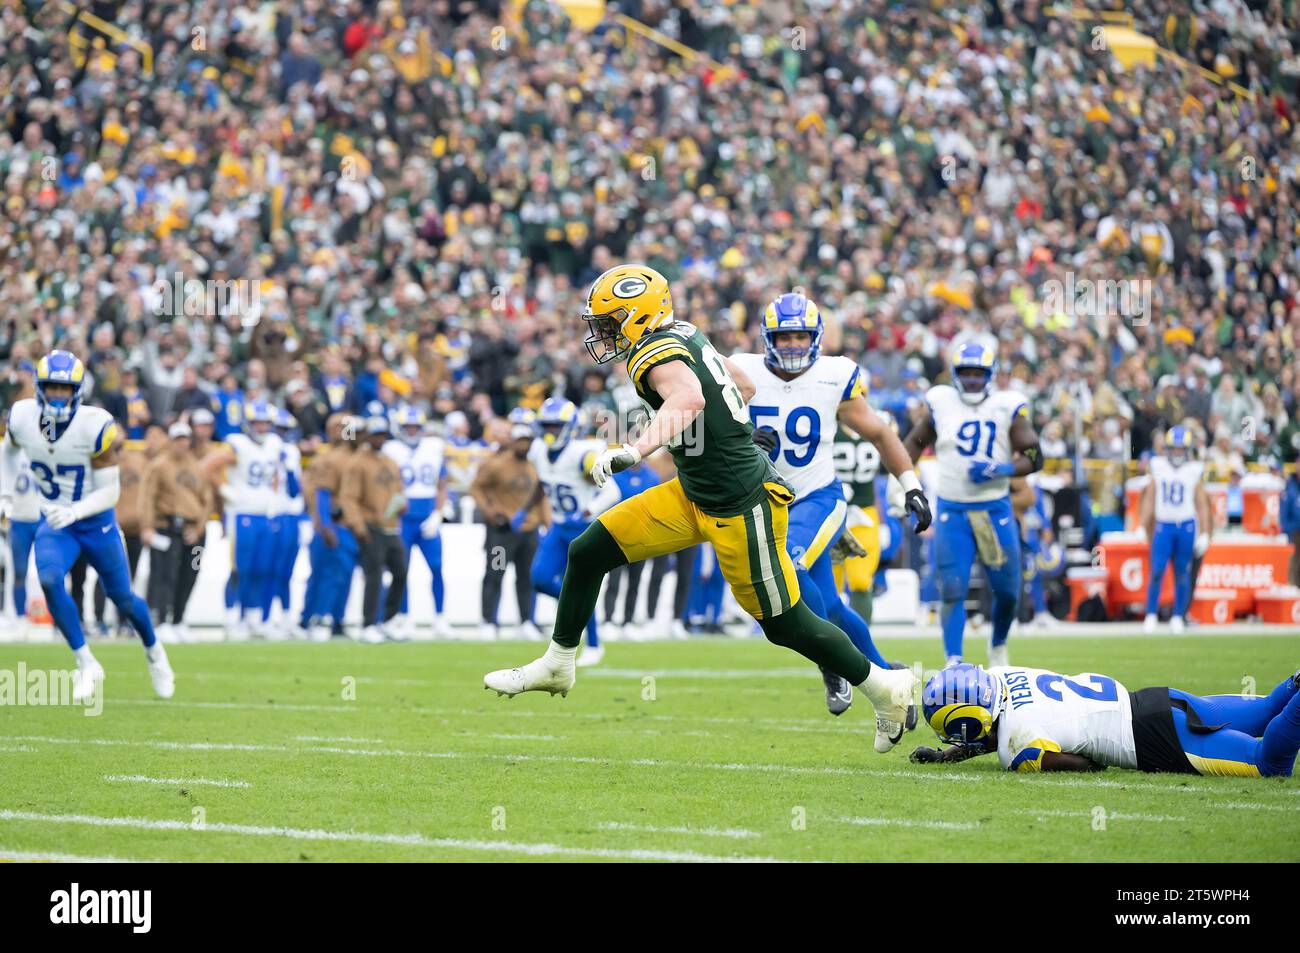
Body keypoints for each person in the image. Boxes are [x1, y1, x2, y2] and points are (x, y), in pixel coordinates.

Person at [483, 265, 917, 753]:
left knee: (787, 624)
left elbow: (688, 397)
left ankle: (886, 687)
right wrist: (725, 434)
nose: (601, 333)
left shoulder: (652, 353)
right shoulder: (685, 331)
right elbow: (742, 386)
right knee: (588, 551)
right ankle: (559, 662)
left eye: (608, 322)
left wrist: (636, 450)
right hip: (694, 492)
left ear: (636, 317)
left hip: (740, 505)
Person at [731, 292, 931, 715]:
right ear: (768, 338)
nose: (791, 345)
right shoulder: (742, 371)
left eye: (800, 335)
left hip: (817, 497)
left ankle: (832, 664)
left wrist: (910, 483)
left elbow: (879, 433)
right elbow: (707, 432)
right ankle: (887, 679)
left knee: (787, 564)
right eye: (783, 337)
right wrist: (745, 441)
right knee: (831, 606)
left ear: (816, 336)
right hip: (768, 505)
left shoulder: (833, 376)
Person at [0, 351, 173, 700]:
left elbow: (110, 491)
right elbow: (8, 452)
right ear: (39, 388)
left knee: (122, 599)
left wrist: (76, 512)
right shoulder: (22, 416)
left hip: (94, 520)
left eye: (66, 389)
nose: (59, 395)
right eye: (53, 387)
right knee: (49, 579)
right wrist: (5, 495)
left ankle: (155, 653)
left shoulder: (95, 426)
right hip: (56, 519)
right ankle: (86, 662)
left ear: (78, 390)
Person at [903, 342, 1043, 667]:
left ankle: (999, 647)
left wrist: (1002, 469)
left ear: (990, 375)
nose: (971, 381)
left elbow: (1036, 456)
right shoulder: (941, 402)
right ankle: (953, 659)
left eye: (977, 374)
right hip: (953, 509)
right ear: (954, 374)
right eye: (965, 373)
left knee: (1008, 591)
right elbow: (913, 443)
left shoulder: (1007, 406)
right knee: (952, 587)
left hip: (995, 508)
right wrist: (905, 483)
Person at [912, 662, 1300, 778]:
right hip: (1153, 699)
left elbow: (1084, 764)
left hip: (1153, 739)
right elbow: (996, 726)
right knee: (1265, 711)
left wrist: (1090, 759)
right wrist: (949, 756)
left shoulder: (1016, 745)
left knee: (1269, 764)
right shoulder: (1001, 673)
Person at [527, 398, 620, 666]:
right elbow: (543, 485)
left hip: (583, 528)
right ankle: (574, 607)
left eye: (556, 426)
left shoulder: (584, 453)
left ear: (570, 427)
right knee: (540, 578)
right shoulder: (538, 451)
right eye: (547, 425)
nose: (550, 432)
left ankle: (593, 643)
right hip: (558, 526)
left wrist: (588, 510)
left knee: (579, 586)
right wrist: (528, 509)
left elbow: (612, 491)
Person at [203, 400, 285, 639]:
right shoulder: (236, 444)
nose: (262, 428)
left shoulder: (274, 443)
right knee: (241, 569)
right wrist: (226, 490)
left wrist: (273, 497)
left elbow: (275, 475)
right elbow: (208, 467)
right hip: (242, 514)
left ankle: (253, 617)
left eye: (265, 423)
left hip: (265, 513)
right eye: (257, 423)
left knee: (262, 567)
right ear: (248, 424)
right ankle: (231, 618)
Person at [469, 409, 545, 640]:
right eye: (520, 441)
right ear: (513, 443)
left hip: (528, 531)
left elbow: (540, 495)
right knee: (495, 573)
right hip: (502, 532)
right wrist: (492, 513)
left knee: (527, 576)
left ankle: (526, 621)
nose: (524, 446)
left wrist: (543, 521)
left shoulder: (532, 465)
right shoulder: (497, 464)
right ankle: (489, 621)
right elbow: (476, 487)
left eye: (527, 441)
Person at [139, 421, 214, 642]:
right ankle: (162, 620)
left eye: (185, 438)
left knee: (190, 574)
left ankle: (179, 619)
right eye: (178, 439)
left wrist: (199, 528)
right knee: (165, 575)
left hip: (194, 532)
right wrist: (147, 526)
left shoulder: (197, 467)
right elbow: (148, 497)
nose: (182, 443)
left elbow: (206, 500)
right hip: (167, 527)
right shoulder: (159, 465)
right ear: (171, 440)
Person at [382, 406, 450, 638]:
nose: (412, 431)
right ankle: (403, 617)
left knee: (437, 567)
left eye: (415, 427)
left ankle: (440, 617)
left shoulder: (434, 448)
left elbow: (442, 484)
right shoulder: (391, 450)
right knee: (401, 570)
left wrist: (438, 513)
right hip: (402, 517)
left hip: (427, 514)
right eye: (407, 427)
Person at [339, 416, 407, 643]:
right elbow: (348, 498)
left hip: (391, 526)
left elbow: (398, 489)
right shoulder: (358, 463)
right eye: (375, 434)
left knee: (401, 572)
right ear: (367, 436)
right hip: (370, 525)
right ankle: (368, 623)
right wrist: (358, 525)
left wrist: (402, 503)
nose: (379, 439)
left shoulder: (389, 461)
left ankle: (389, 620)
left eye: (382, 434)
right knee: (374, 575)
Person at [1138, 426, 1210, 634]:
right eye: (1174, 449)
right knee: (1157, 570)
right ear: (1167, 449)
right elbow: (1150, 498)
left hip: (1186, 525)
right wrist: (1143, 525)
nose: (1177, 453)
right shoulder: (1158, 466)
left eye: (1181, 449)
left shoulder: (1194, 469)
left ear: (1187, 450)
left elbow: (1202, 503)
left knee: (1182, 572)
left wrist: (1204, 532)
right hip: (1164, 525)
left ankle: (1178, 615)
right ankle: (1151, 614)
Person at [301, 414, 358, 641]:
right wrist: (324, 524)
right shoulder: (328, 460)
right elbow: (320, 494)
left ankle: (336, 618)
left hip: (349, 524)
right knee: (325, 573)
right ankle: (314, 617)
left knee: (343, 575)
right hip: (331, 524)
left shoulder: (353, 458)